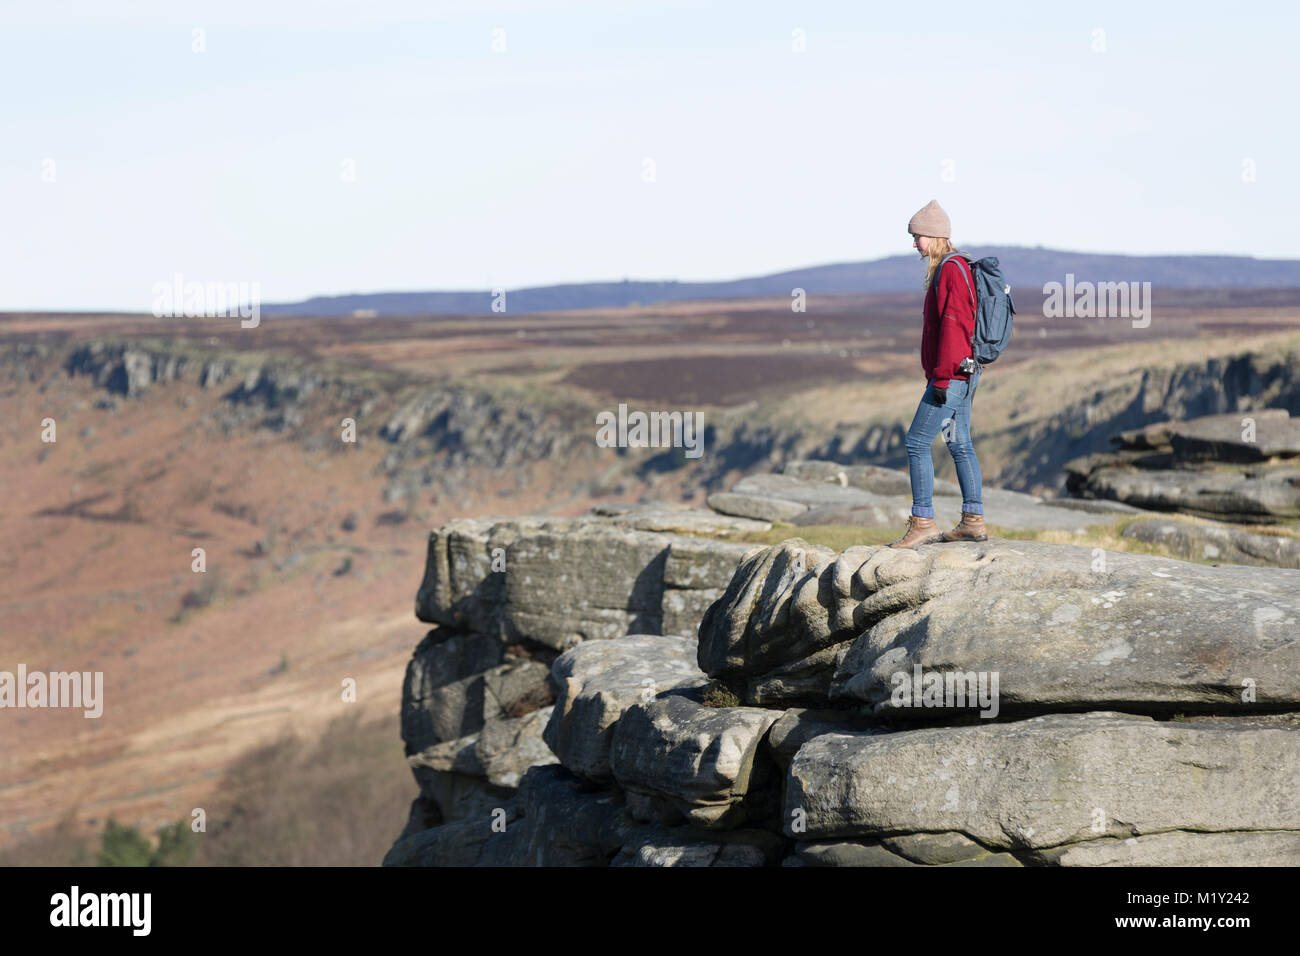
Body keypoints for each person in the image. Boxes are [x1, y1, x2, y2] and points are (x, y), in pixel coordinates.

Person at [888, 199, 988, 548]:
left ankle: (923, 522)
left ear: (933, 235)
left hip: (951, 376)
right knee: (960, 444)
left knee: (916, 442)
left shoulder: (949, 269)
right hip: (962, 373)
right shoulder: (955, 267)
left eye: (917, 237)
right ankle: (973, 521)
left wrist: (943, 377)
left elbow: (954, 327)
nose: (914, 244)